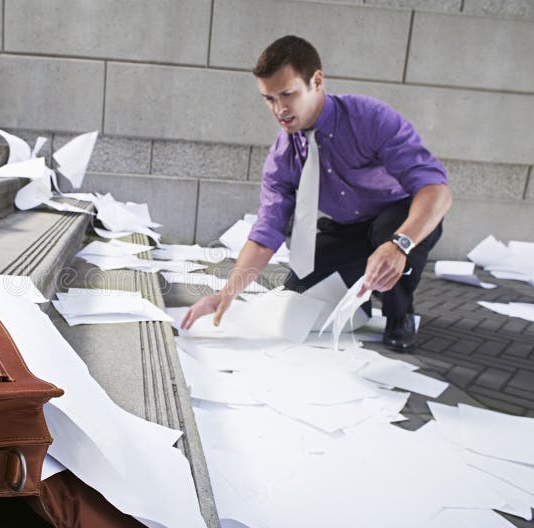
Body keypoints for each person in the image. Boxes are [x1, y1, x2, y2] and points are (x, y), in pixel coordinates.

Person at [181, 35, 452, 352]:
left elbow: (437, 191)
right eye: (269, 98)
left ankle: (399, 314)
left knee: (387, 234)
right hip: (349, 228)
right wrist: (227, 293)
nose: (279, 109)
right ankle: (361, 301)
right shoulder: (284, 156)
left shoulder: (370, 119)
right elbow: (266, 232)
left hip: (401, 220)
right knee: (298, 288)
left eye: (287, 94)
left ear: (317, 81)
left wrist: (400, 243)